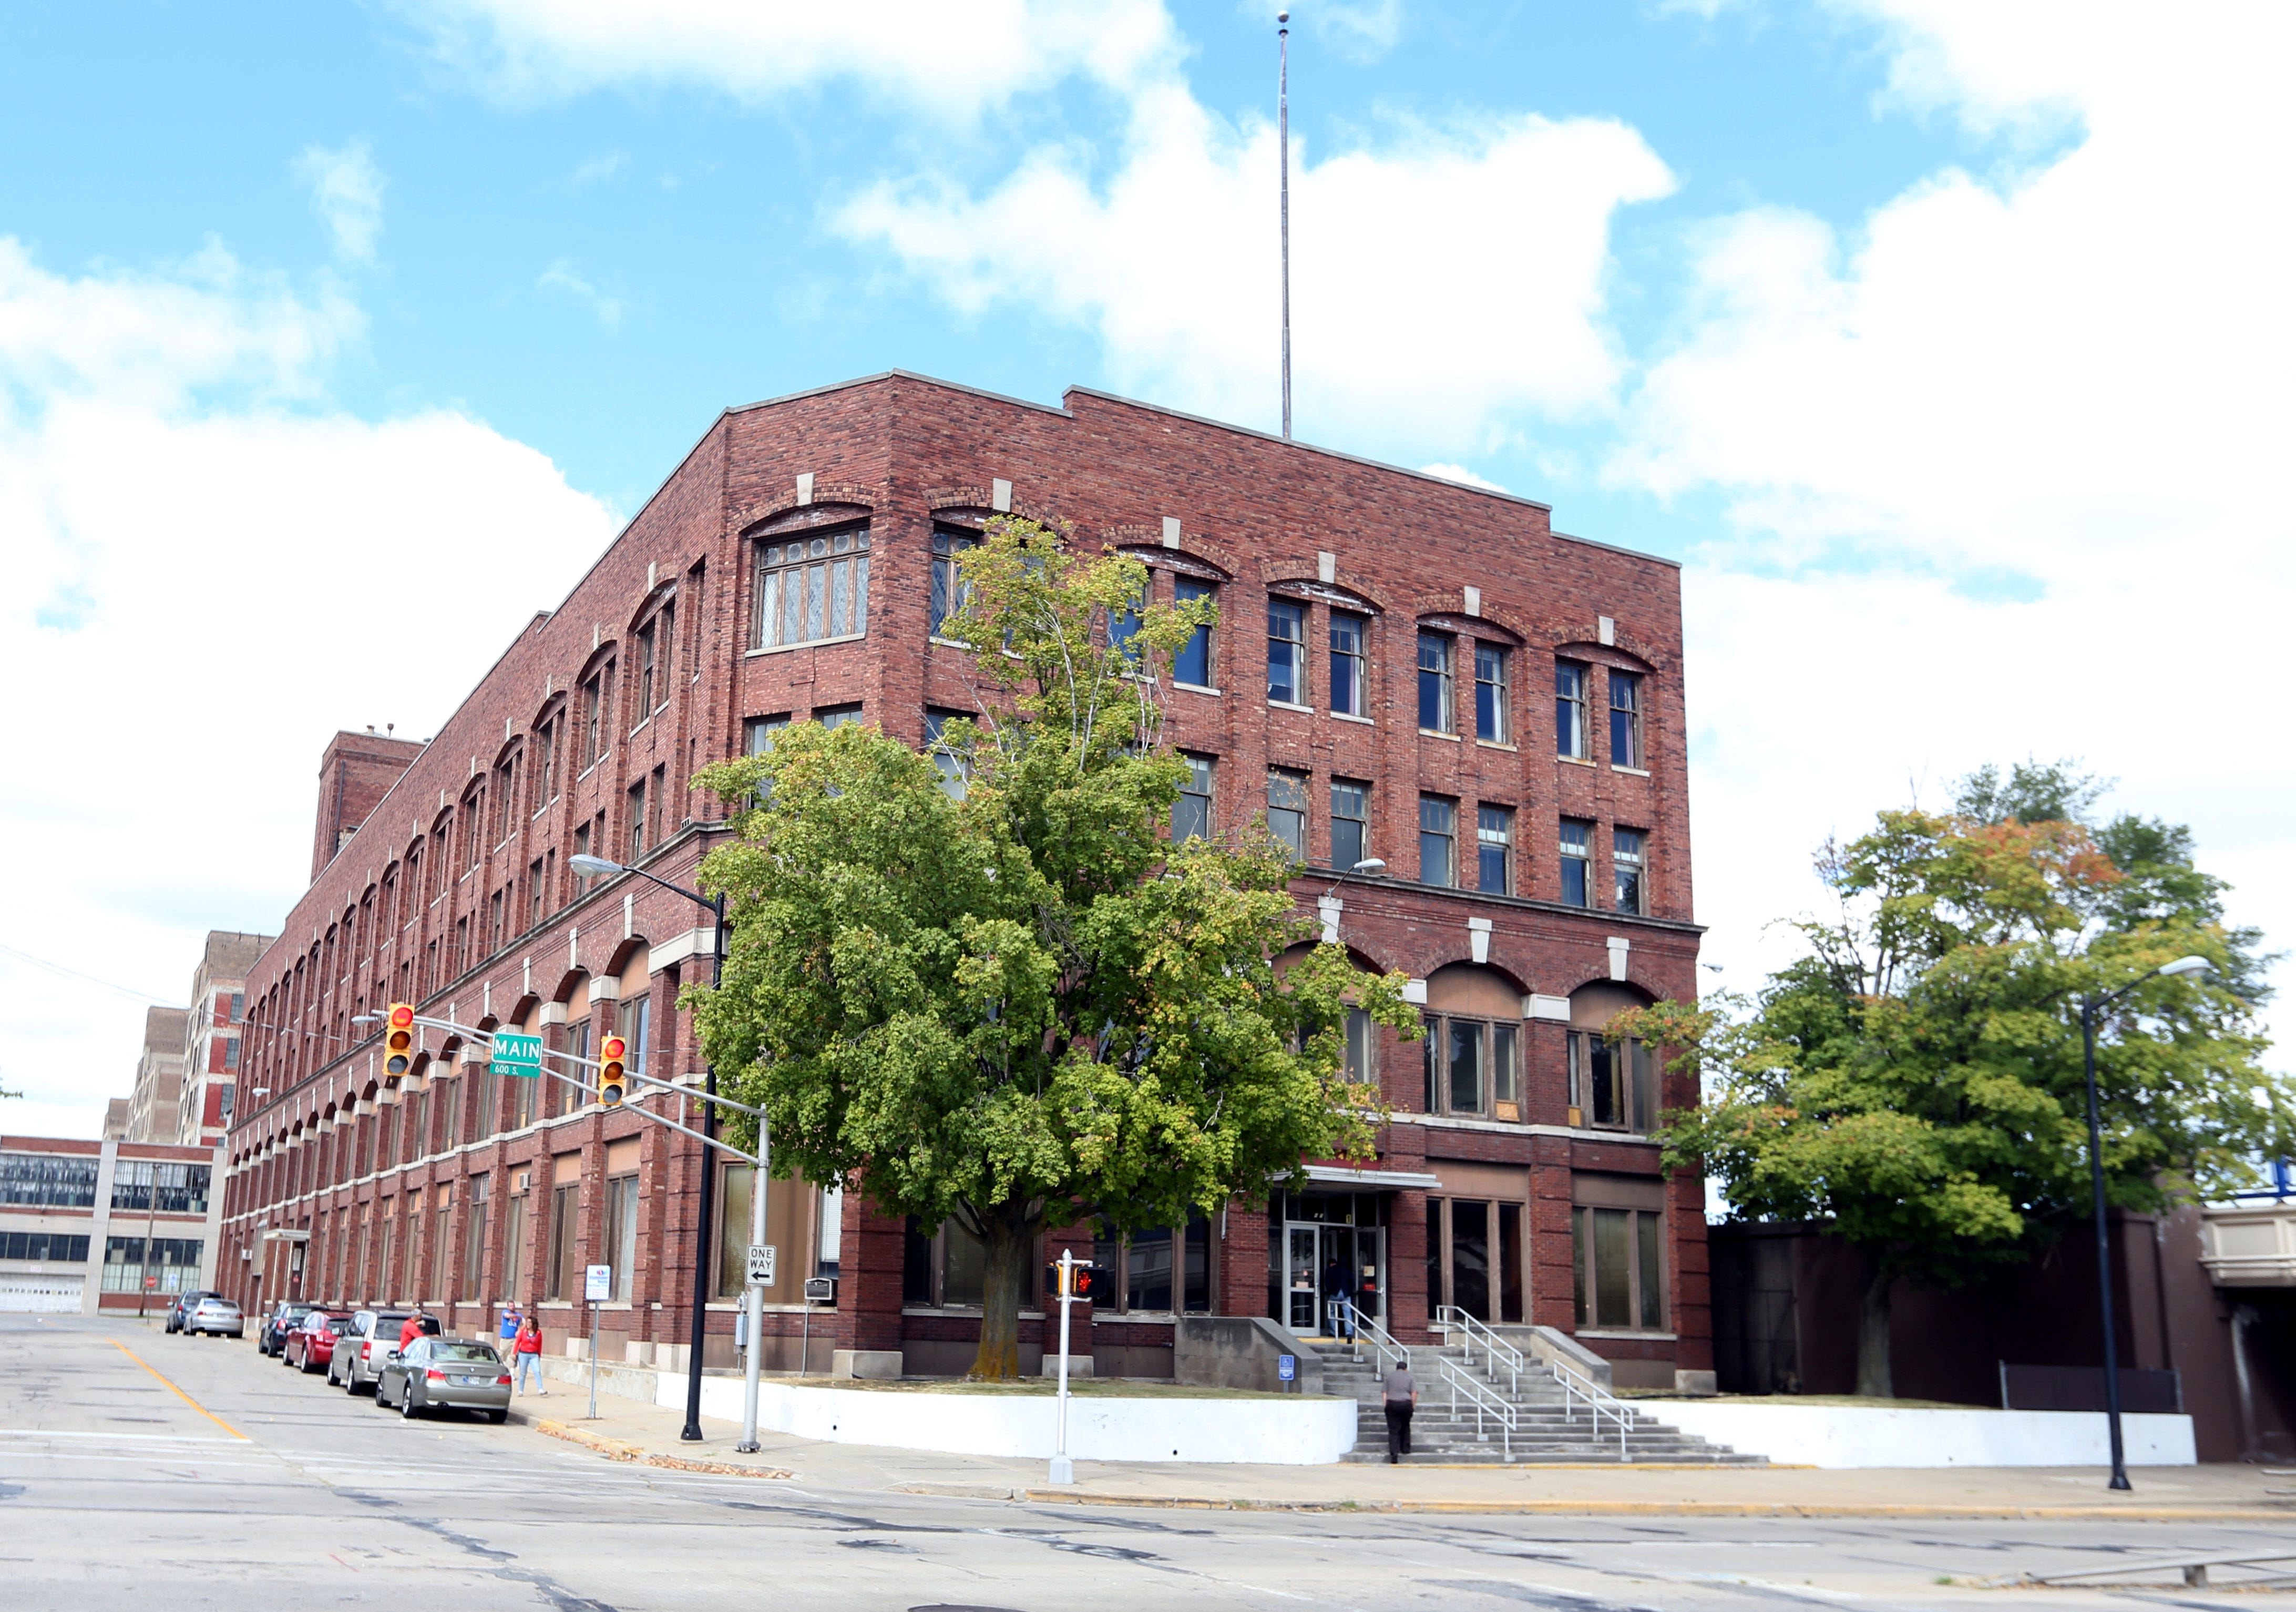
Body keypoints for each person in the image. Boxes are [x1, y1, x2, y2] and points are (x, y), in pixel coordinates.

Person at [1381, 1358, 1418, 1463]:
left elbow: (1384, 1392)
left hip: (1392, 1403)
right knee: (1406, 1426)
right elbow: (1414, 1393)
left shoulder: (1389, 1377)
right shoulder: (1410, 1377)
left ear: (1397, 1368)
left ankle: (1394, 1452)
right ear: (1406, 1369)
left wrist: (1385, 1405)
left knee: (1393, 1430)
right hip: (1406, 1403)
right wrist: (1413, 1405)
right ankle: (1406, 1449)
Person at [512, 1314, 546, 1396]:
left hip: (534, 1355)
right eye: (527, 1322)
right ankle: (520, 1391)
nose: (528, 1324)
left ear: (534, 1324)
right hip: (523, 1354)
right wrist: (514, 1353)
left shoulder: (538, 1333)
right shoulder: (523, 1331)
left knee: (537, 1371)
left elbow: (540, 1344)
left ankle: (541, 1389)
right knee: (523, 1373)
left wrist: (539, 1355)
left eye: (530, 1322)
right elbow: (517, 1342)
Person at [1321, 1256, 1352, 1338]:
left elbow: (1328, 1283)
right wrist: (1350, 1292)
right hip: (1346, 1293)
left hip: (1335, 1293)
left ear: (1330, 1264)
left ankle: (1334, 1332)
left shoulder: (1329, 1270)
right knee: (1347, 1313)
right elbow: (1351, 1281)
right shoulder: (1345, 1270)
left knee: (1332, 1312)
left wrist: (1330, 1292)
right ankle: (1349, 1332)